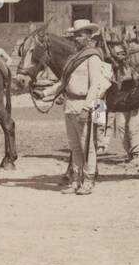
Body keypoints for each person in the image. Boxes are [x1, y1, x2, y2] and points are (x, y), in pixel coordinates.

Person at [35, 19, 109, 195]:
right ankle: (76, 181)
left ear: (89, 37)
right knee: (74, 146)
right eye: (75, 35)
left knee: (87, 146)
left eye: (80, 35)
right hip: (69, 106)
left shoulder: (93, 57)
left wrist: (87, 108)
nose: (76, 38)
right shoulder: (72, 59)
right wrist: (45, 94)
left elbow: (95, 86)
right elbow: (63, 82)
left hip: (84, 105)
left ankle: (89, 181)